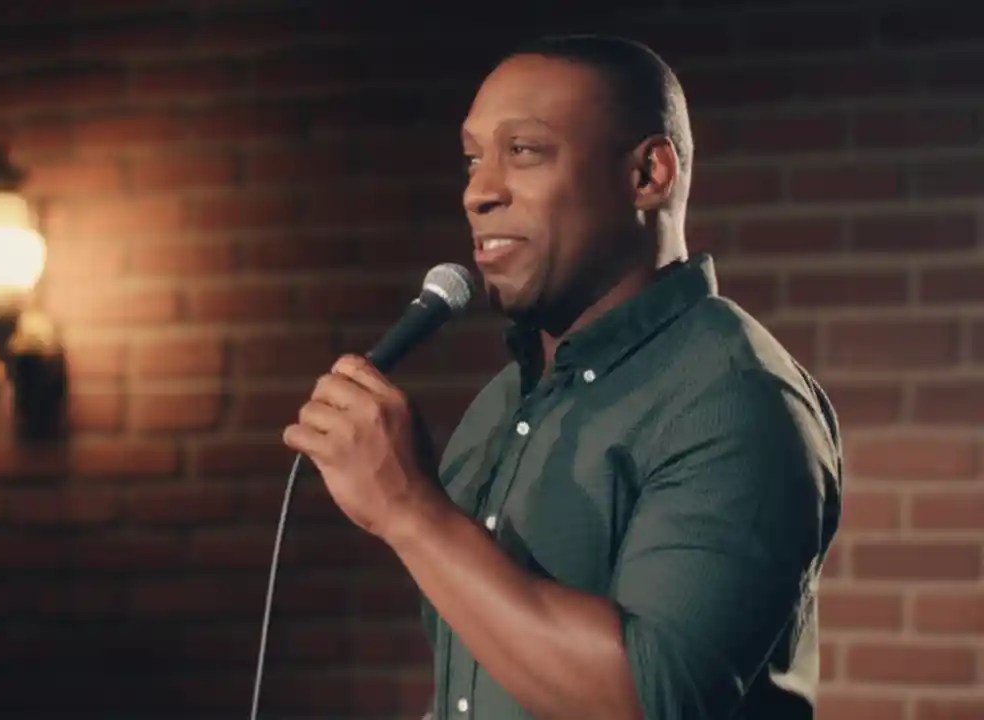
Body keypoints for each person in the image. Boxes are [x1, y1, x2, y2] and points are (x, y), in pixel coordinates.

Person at [282, 34, 842, 720]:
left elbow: (653, 699)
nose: (478, 192)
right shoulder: (503, 403)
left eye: (524, 152)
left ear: (649, 175)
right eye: (471, 159)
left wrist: (410, 511)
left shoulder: (737, 396)